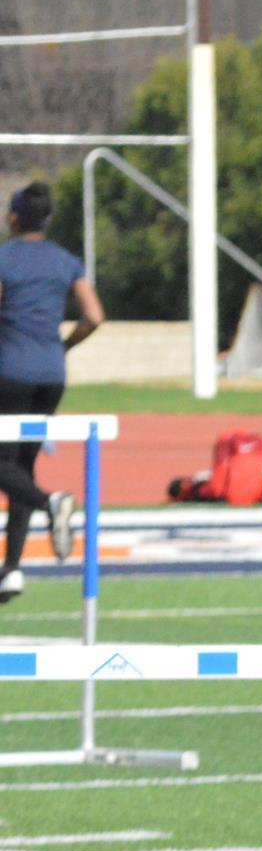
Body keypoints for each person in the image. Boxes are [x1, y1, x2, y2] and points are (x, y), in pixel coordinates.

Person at [0, 181, 100, 601]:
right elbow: (94, 316)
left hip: (10, 371)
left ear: (14, 217)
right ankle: (13, 568)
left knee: (7, 466)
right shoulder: (66, 261)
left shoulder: (4, 258)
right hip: (52, 376)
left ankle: (51, 503)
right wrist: (62, 346)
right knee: (23, 466)